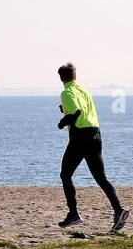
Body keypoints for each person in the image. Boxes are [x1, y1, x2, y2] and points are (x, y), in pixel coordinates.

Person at [55, 63, 128, 233]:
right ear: (75, 75)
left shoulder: (66, 92)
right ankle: (119, 210)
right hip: (95, 133)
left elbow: (76, 114)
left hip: (80, 136)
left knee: (65, 175)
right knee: (101, 177)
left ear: (61, 78)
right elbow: (82, 110)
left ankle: (73, 214)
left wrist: (62, 122)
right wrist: (64, 110)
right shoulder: (84, 90)